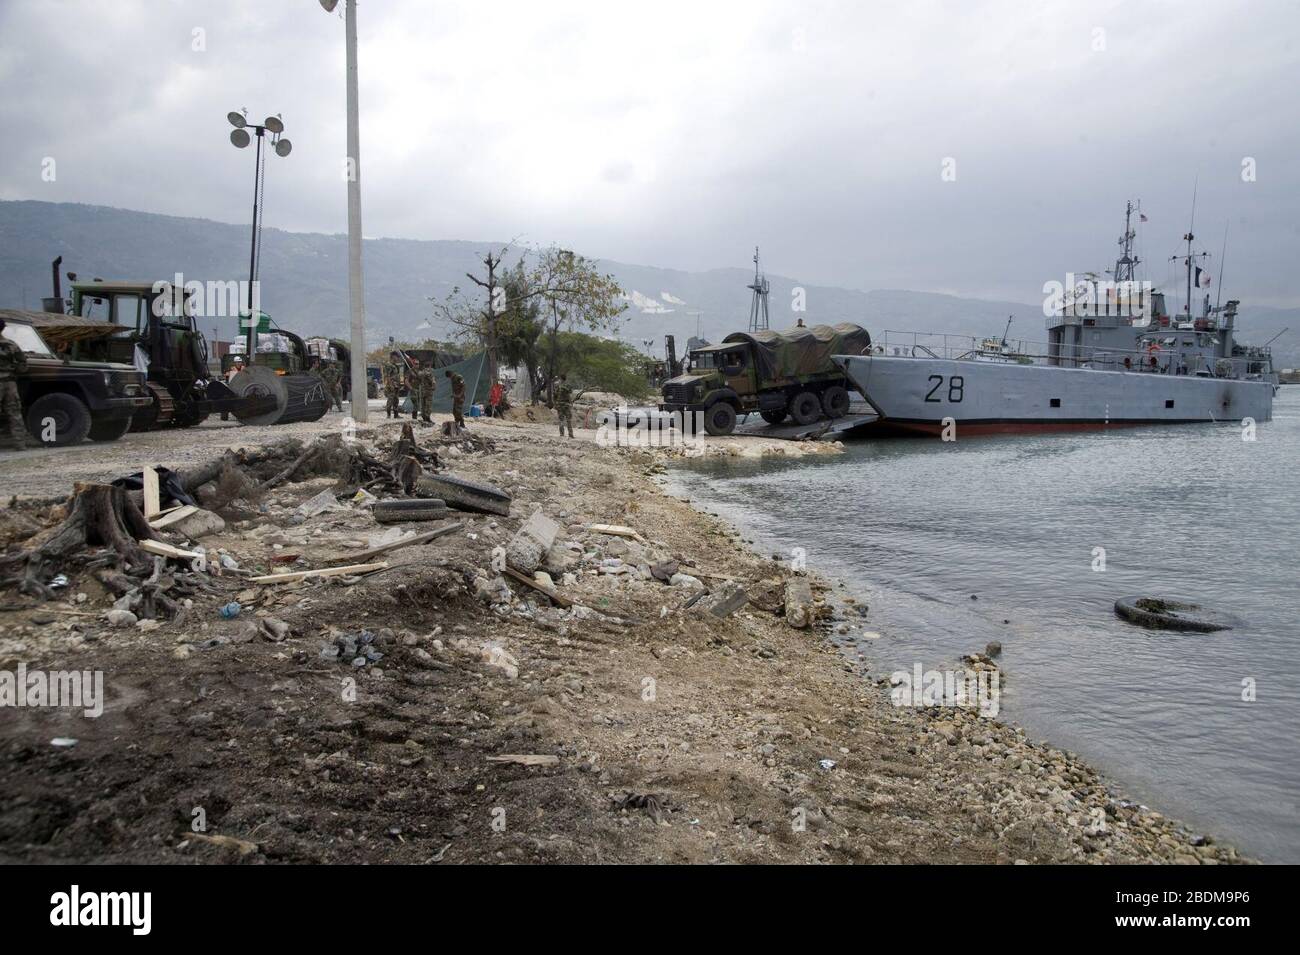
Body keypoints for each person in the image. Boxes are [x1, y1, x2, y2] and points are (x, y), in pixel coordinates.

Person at [0, 319, 29, 450]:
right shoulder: (11, 344)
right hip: (10, 384)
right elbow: (23, 365)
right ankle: (20, 444)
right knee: (15, 413)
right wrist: (13, 370)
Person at [382, 351, 403, 419]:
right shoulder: (388, 365)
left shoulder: (395, 365)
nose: (397, 358)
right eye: (397, 357)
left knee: (396, 400)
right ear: (393, 356)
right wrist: (390, 385)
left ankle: (396, 415)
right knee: (390, 400)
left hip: (396, 385)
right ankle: (388, 415)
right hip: (391, 385)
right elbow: (387, 376)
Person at [555, 373, 574, 438]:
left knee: (561, 420)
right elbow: (570, 392)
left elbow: (555, 395)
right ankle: (570, 434)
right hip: (567, 405)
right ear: (565, 379)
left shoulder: (557, 385)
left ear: (560, 378)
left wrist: (555, 403)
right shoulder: (568, 385)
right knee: (569, 420)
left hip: (559, 405)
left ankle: (562, 434)